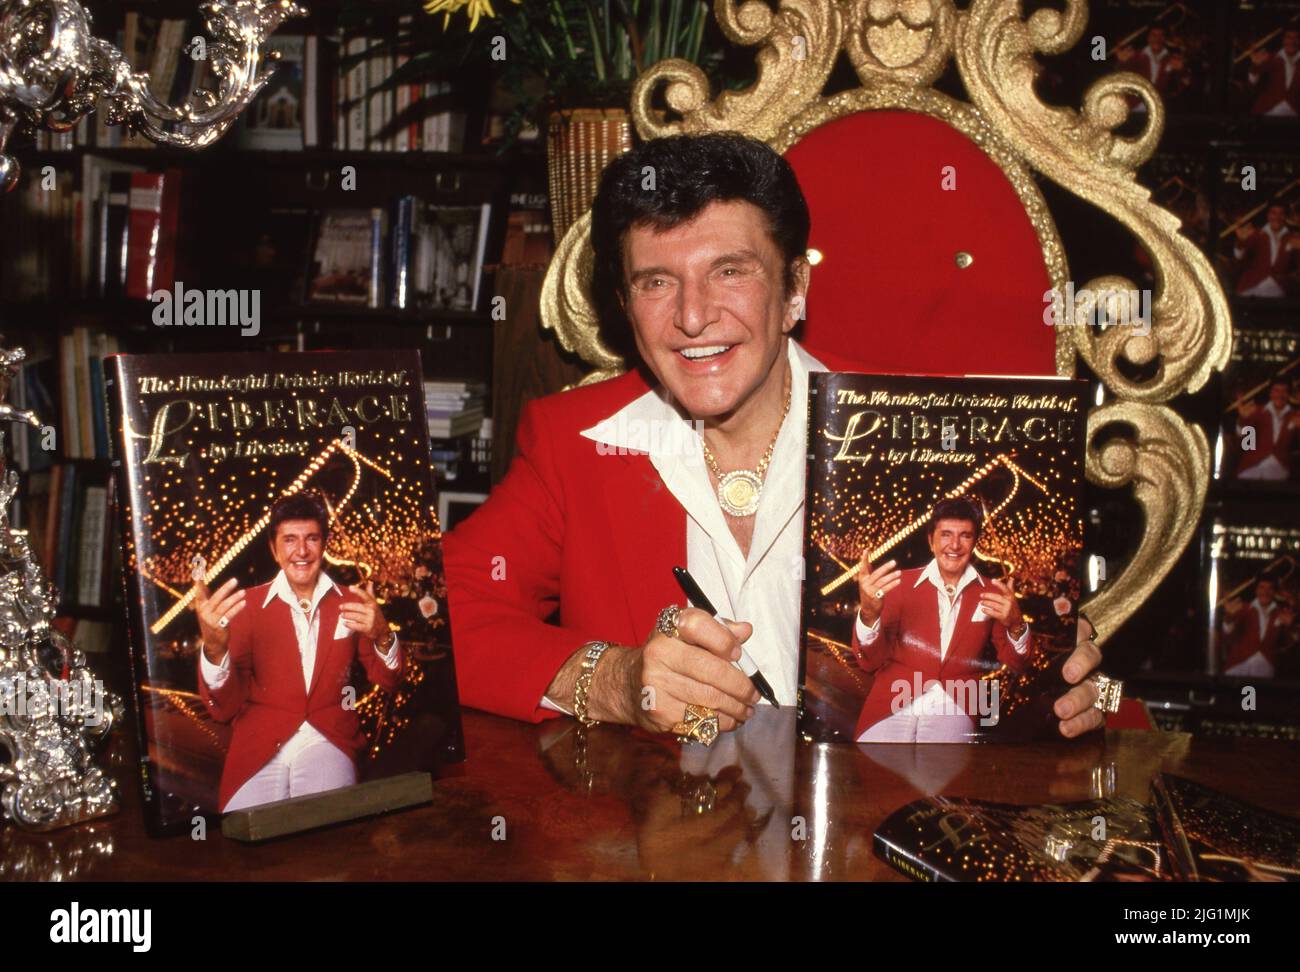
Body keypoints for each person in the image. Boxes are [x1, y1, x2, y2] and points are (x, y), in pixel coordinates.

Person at [442, 132, 1110, 743]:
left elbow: (1038, 676)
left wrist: (1068, 686)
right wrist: (610, 680)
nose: (694, 316)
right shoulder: (577, 443)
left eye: (730, 271)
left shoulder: (928, 444)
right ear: (624, 306)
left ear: (794, 289)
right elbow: (438, 617)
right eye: (656, 282)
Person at [194, 491, 403, 812]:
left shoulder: (355, 600)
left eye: (312, 538)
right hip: (258, 743)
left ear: (325, 544)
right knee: (243, 833)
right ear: (273, 549)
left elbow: (389, 681)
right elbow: (224, 709)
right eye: (289, 539)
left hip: (329, 738)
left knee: (322, 829)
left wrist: (383, 635)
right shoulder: (244, 606)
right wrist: (214, 649)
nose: (301, 551)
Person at [850, 499, 1032, 741]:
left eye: (965, 535)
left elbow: (1018, 663)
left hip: (959, 700)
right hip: (893, 697)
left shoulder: (994, 592)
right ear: (931, 540)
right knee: (873, 764)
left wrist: (1016, 624)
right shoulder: (897, 584)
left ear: (975, 542)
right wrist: (869, 615)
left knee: (940, 774)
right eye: (946, 534)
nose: (955, 545)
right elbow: (870, 662)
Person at [1221, 577, 1293, 678]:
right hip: (1238, 665)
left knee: (1260, 693)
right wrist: (1229, 617)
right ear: (1256, 590)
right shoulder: (1243, 607)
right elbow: (1228, 635)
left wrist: (1290, 626)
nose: (1265, 592)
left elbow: (1287, 644)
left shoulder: (1281, 612)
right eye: (1262, 587)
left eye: (1270, 588)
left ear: (1274, 592)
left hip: (1265, 668)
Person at [1234, 379, 1299, 480]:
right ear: (1270, 393)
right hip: (1251, 467)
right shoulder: (1257, 410)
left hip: (1279, 470)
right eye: (1276, 390)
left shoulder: (1295, 415)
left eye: (1284, 391)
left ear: (1289, 395)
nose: (1280, 395)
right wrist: (1242, 419)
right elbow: (1244, 442)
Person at [1233, 203, 1298, 298]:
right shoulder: (1256, 234)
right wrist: (1240, 241)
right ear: (1268, 215)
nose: (1277, 217)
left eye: (1281, 214)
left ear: (1286, 217)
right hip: (1250, 287)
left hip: (1277, 290)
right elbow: (1239, 256)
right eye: (1274, 213)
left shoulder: (1292, 237)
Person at [1247, 27, 1300, 117]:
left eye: (1296, 38)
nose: (1292, 41)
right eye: (1289, 37)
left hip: (1294, 117)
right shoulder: (1271, 58)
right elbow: (1252, 81)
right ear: (1283, 40)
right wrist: (1255, 66)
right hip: (1267, 112)